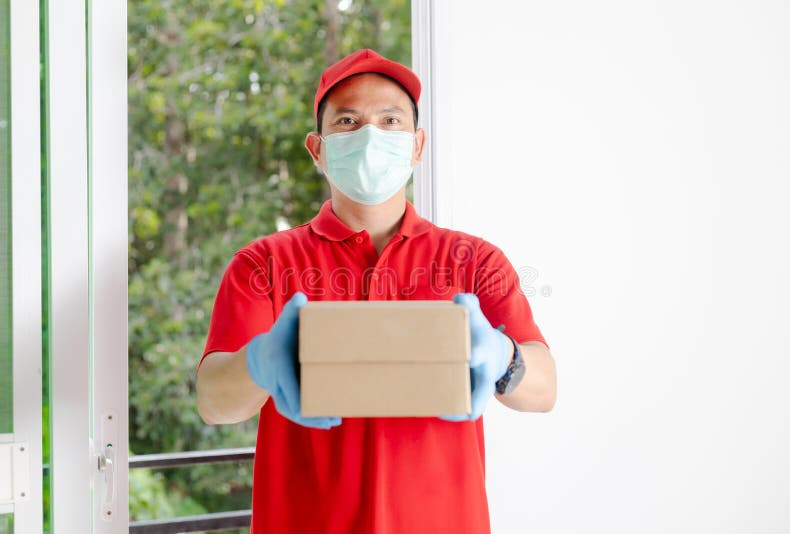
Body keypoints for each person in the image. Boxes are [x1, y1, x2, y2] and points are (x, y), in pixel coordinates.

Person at [196, 48, 557, 534]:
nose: (370, 136)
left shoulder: (476, 262)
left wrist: (503, 357)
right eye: (347, 121)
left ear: (417, 146)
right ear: (317, 149)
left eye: (390, 120)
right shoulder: (263, 264)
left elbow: (545, 388)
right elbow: (216, 402)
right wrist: (259, 363)